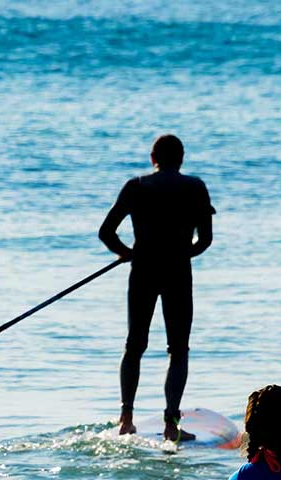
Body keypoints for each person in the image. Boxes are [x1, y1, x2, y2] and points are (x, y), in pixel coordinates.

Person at [98, 133, 215, 442]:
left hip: (143, 272)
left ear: (153, 159)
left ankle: (126, 419)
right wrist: (180, 252)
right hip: (178, 273)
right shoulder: (195, 187)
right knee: (178, 349)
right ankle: (171, 424)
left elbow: (105, 232)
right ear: (181, 159)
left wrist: (129, 253)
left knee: (134, 346)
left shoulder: (136, 186)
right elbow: (204, 240)